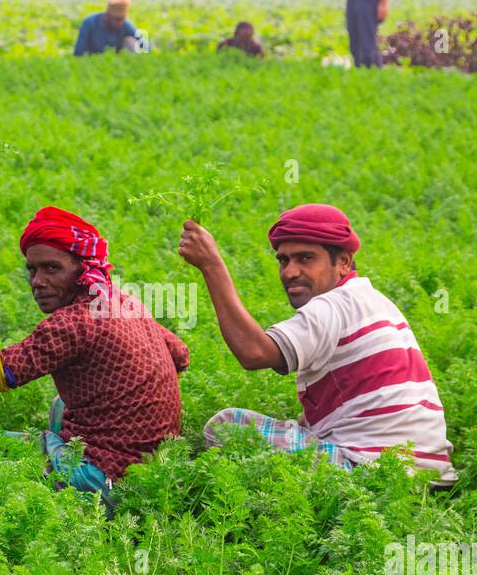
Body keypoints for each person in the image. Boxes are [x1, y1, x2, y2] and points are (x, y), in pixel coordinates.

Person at [0, 206, 189, 507]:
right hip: (160, 469)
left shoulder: (73, 324)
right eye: (32, 270)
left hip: (108, 482)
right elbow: (180, 355)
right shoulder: (124, 302)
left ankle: (67, 476)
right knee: (60, 405)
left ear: (81, 269)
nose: (37, 281)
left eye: (51, 268)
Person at [178, 204, 457, 485]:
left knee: (228, 426)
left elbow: (254, 352)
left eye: (305, 258)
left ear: (344, 262)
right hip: (431, 478)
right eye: (284, 260)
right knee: (301, 427)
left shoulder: (332, 306)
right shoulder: (378, 303)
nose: (289, 272)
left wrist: (211, 265)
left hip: (368, 472)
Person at [74, 0, 142, 56]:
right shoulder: (90, 22)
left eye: (122, 19)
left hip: (115, 60)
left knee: (130, 41)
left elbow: (143, 42)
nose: (120, 23)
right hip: (94, 58)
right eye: (117, 19)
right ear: (108, 15)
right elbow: (78, 51)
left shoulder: (125, 24)